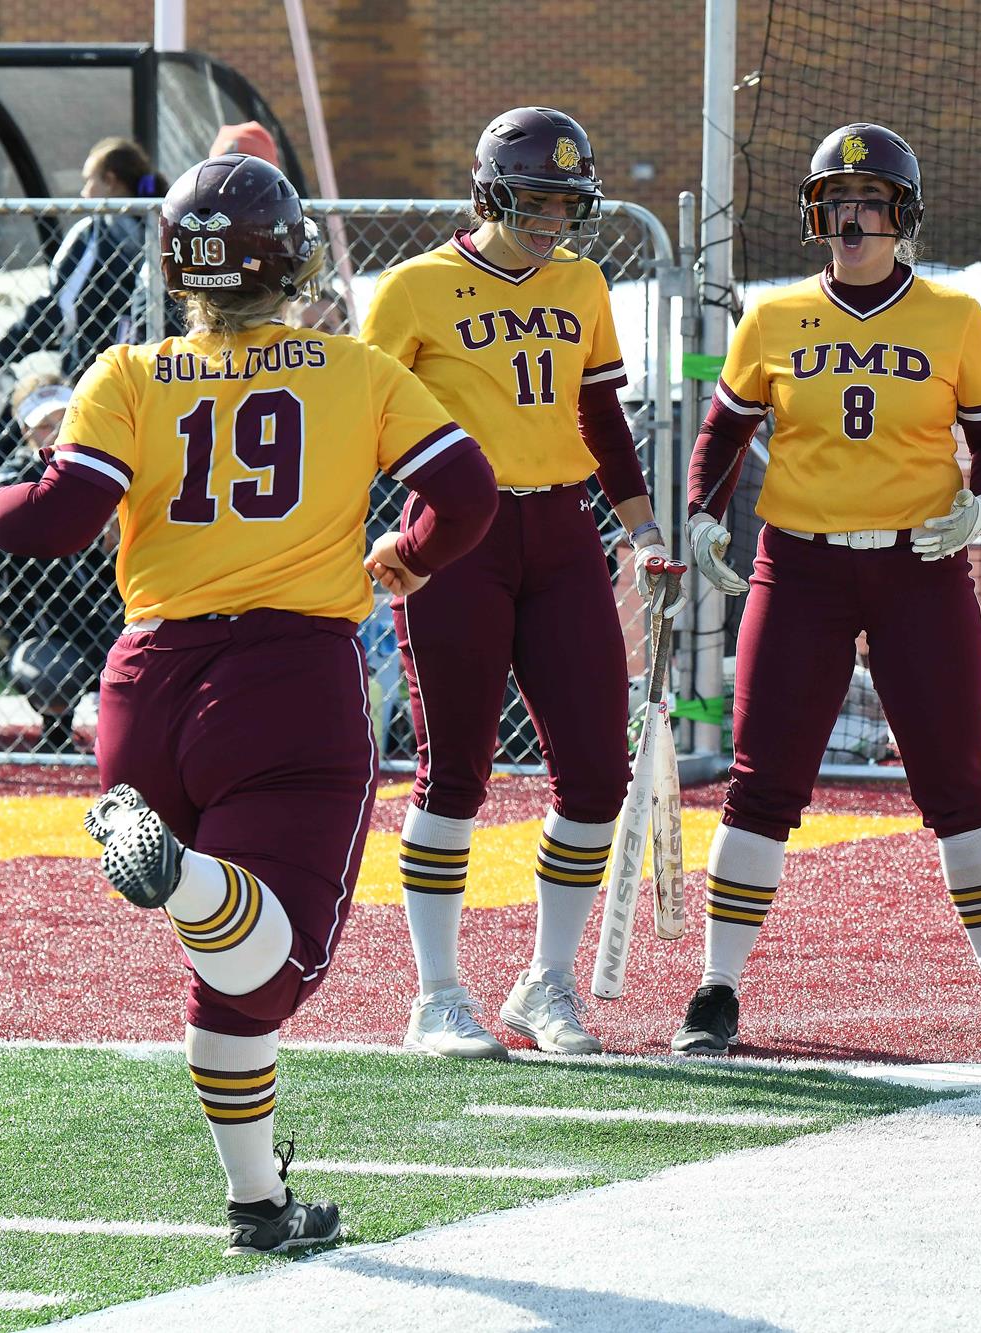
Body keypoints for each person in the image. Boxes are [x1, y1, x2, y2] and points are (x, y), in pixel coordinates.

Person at [0, 154, 497, 1252]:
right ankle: (185, 874)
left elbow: (59, 520)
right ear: (291, 255)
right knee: (279, 961)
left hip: (143, 683)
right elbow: (465, 492)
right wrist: (407, 554)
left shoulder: (129, 369)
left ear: (181, 269)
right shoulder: (350, 369)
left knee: (225, 971)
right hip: (286, 683)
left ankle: (258, 1203)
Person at [673, 123, 981, 1057]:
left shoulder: (955, 318)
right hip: (798, 566)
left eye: (870, 201)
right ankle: (716, 989)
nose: (851, 217)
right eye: (837, 202)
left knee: (957, 778)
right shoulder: (775, 318)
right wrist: (704, 513)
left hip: (918, 567)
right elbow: (723, 430)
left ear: (903, 214)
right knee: (761, 780)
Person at [361, 106, 676, 1060]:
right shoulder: (414, 288)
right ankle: (437, 994)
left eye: (568, 203)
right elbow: (357, 422)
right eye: (538, 198)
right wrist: (359, 531)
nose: (554, 220)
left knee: (595, 771)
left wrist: (643, 529)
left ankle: (547, 981)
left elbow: (598, 415)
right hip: (457, 531)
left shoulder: (582, 281)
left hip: (561, 531)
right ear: (493, 191)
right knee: (454, 768)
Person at [0, 376, 121, 751]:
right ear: (24, 429)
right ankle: (57, 728)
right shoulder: (7, 483)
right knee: (53, 669)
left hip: (112, 623)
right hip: (42, 633)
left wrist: (113, 547)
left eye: (63, 420)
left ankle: (129, 735)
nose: (54, 433)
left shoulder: (103, 476)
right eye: (43, 424)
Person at [0, 138, 168, 380]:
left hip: (95, 373)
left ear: (110, 181)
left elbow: (61, 308)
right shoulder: (163, 226)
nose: (84, 192)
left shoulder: (94, 233)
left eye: (89, 180)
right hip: (159, 371)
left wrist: (0, 356)